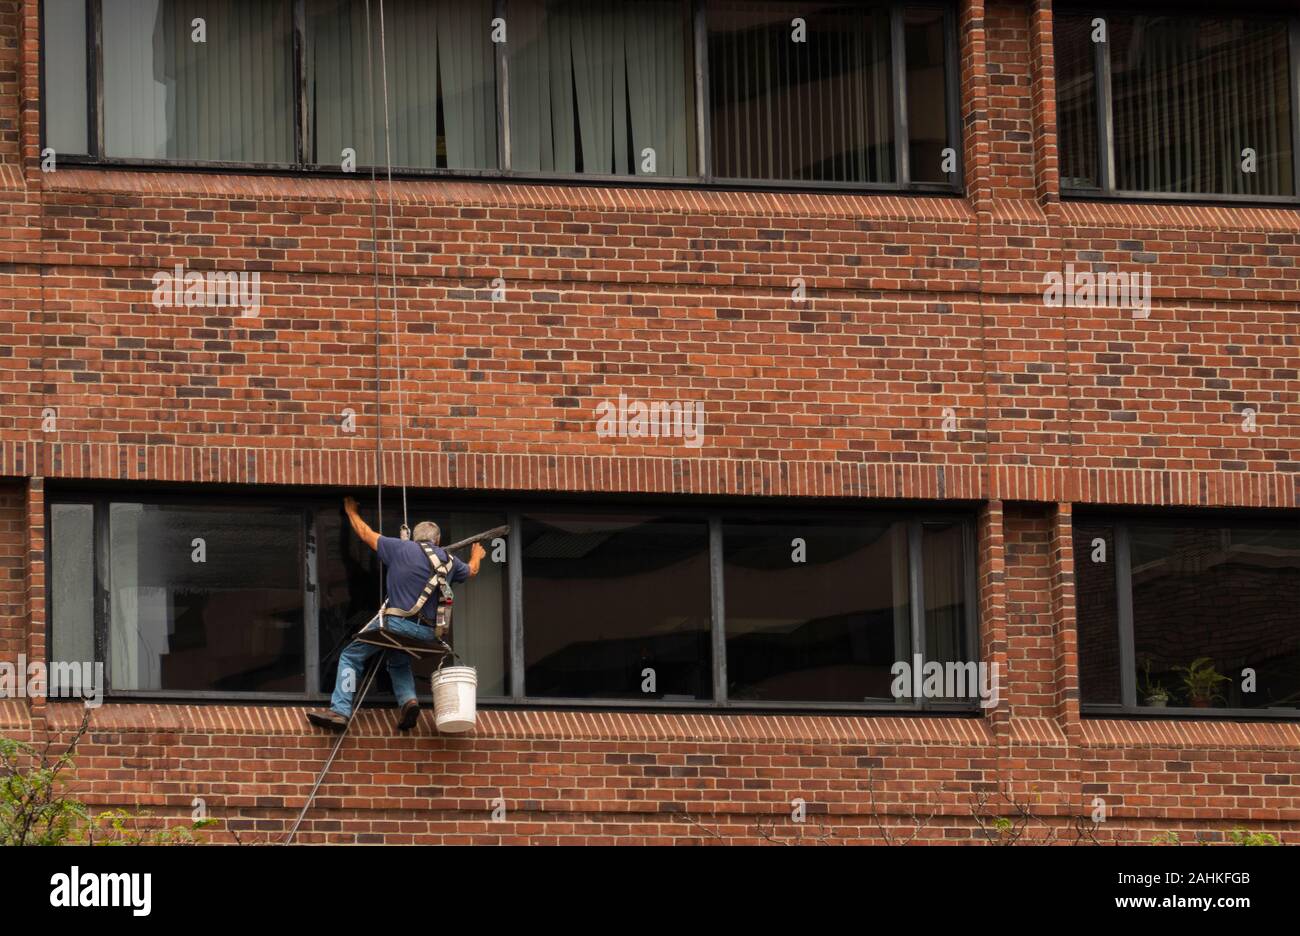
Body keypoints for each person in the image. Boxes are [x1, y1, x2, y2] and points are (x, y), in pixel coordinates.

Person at [306, 496, 486, 732]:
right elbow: (472, 571)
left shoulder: (399, 548)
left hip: (397, 625)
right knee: (398, 658)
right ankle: (408, 702)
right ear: (438, 541)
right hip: (428, 632)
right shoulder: (450, 562)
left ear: (414, 538)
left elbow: (364, 532)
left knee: (350, 656)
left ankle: (340, 710)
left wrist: (351, 512)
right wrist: (477, 556)